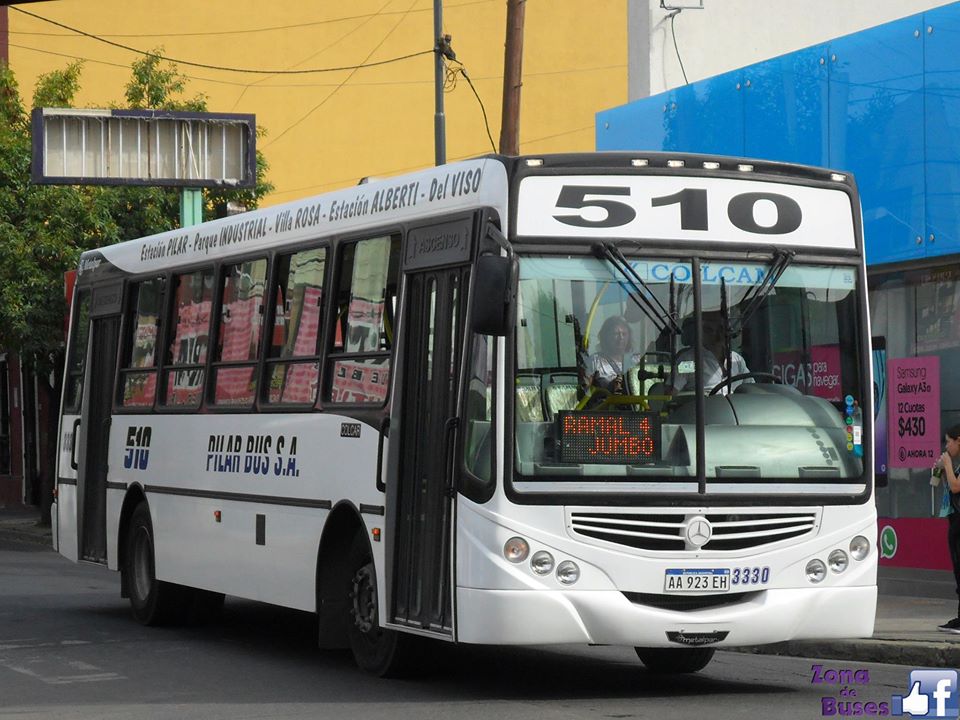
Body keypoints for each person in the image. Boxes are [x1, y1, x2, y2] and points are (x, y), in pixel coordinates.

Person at [671, 310, 753, 395]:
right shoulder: (690, 361)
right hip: (706, 403)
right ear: (700, 331)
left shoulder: (737, 360)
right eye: (709, 329)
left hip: (736, 403)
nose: (719, 334)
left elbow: (752, 388)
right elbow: (671, 393)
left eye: (721, 328)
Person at [937, 424, 960, 633]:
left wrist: (947, 464)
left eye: (949, 441)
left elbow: (956, 486)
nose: (947, 446)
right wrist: (943, 470)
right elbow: (950, 486)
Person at [585, 315, 640, 395]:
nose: (621, 338)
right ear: (606, 336)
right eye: (616, 334)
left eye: (624, 334)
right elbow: (585, 393)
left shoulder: (636, 361)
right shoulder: (595, 361)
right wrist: (609, 387)